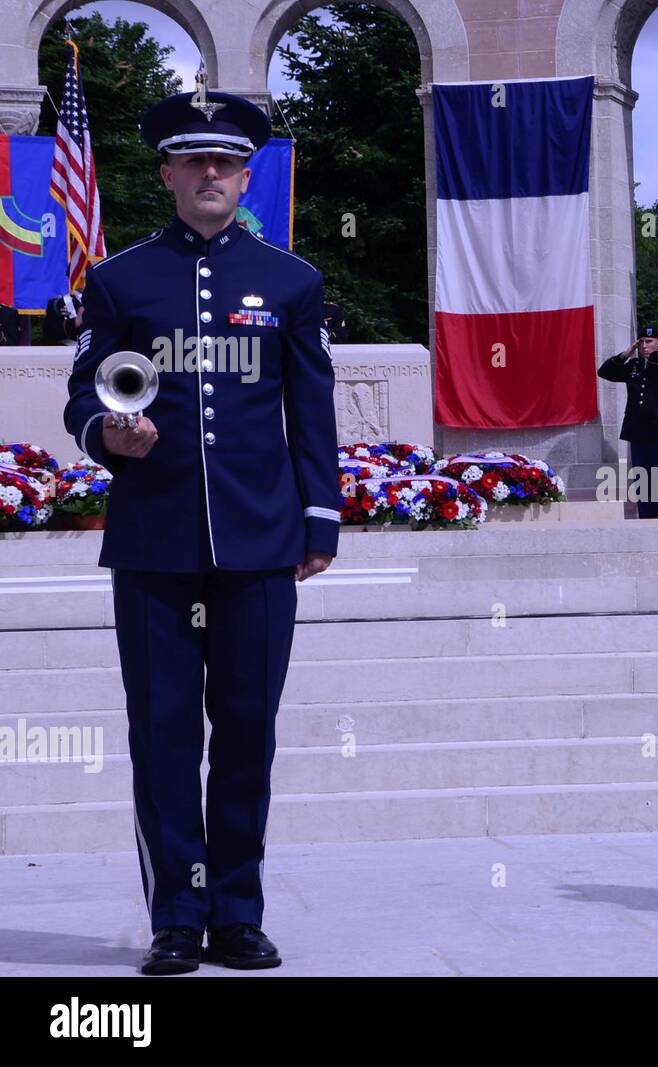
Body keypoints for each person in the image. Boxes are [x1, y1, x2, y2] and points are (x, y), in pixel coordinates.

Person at [63, 90, 341, 974]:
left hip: (261, 542)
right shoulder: (118, 280)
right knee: (164, 732)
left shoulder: (292, 281)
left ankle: (238, 912)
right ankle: (177, 918)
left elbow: (312, 408)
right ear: (168, 173)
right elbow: (83, 392)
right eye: (194, 160)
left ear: (245, 174)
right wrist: (105, 433)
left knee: (249, 730)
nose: (210, 173)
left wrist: (320, 514)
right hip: (153, 542)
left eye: (225, 161)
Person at [597, 325, 658, 518]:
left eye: (648, 342)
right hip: (638, 430)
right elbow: (605, 372)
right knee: (642, 476)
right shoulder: (634, 365)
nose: (644, 346)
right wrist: (626, 354)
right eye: (641, 342)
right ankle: (646, 515)